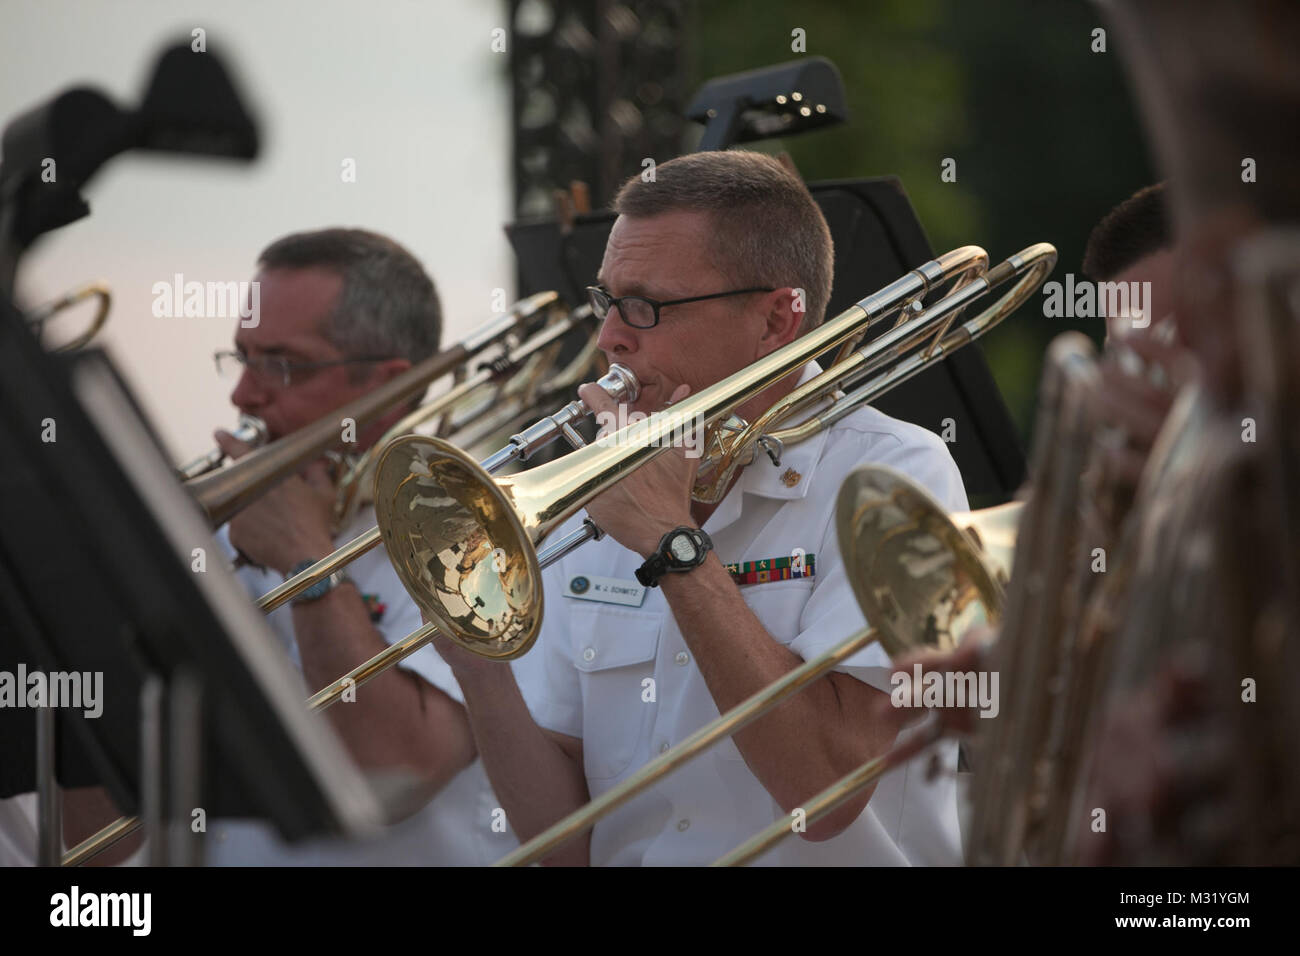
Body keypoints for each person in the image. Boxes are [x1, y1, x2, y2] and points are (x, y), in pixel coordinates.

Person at [433, 151, 971, 866]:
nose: (609, 339)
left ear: (776, 319)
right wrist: (478, 665)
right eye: (607, 301)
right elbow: (563, 846)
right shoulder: (599, 482)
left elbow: (826, 794)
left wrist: (672, 542)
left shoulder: (895, 473)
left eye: (647, 307)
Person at [202, 228, 508, 864]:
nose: (242, 395)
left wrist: (304, 561)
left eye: (281, 365)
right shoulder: (221, 529)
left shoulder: (472, 530)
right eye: (241, 357)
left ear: (385, 386)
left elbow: (396, 767)